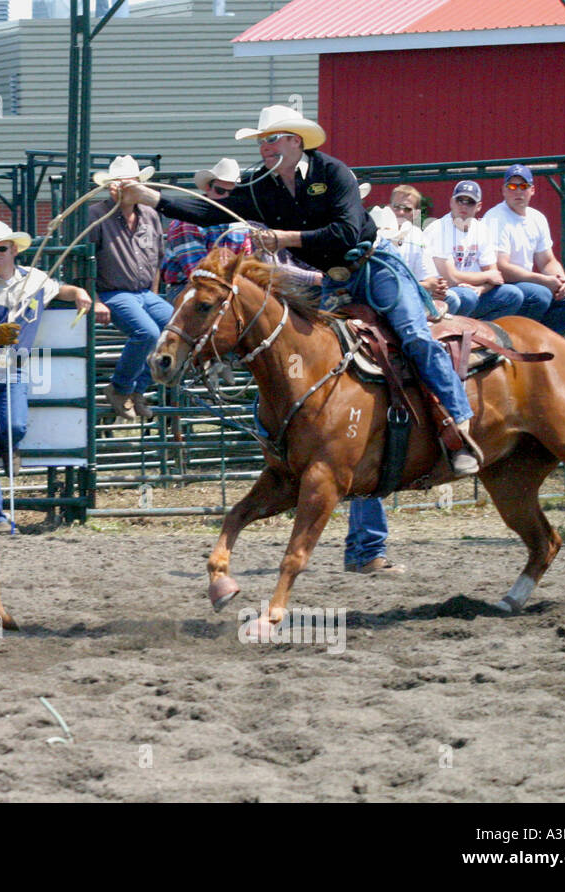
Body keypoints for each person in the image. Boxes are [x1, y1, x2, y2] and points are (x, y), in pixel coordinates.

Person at [120, 104, 484, 572]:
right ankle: (299, 444)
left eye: (272, 139)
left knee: (415, 336)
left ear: (296, 141)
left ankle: (460, 426)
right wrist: (146, 196)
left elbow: (347, 229)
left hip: (373, 267)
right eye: (261, 141)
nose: (264, 147)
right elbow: (210, 211)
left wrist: (283, 238)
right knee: (311, 358)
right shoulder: (261, 183)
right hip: (331, 281)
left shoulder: (334, 174)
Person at [0, 220, 107, 535]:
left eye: (1, 248)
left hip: (14, 368)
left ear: (14, 250)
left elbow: (59, 290)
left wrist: (79, 293)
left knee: (15, 425)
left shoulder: (35, 280)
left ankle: (11, 445)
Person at [89, 155, 174, 422]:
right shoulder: (95, 215)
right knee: (147, 332)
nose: (125, 188)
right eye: (120, 183)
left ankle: (136, 390)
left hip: (144, 292)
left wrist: (154, 293)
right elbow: (82, 264)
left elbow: (157, 258)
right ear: (110, 187)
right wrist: (95, 300)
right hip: (112, 292)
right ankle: (121, 388)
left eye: (130, 183)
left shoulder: (150, 215)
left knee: (173, 329)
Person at [483, 163, 565, 336]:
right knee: (539, 294)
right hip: (498, 286)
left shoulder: (537, 218)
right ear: (503, 191)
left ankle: (546, 340)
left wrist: (560, 278)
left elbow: (547, 260)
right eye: (512, 186)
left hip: (526, 283)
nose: (518, 191)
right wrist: (543, 280)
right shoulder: (495, 218)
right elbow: (501, 268)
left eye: (523, 186)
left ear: (532, 190)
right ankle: (519, 343)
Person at [422, 180, 525, 321]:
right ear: (451, 202)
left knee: (513, 295)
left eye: (470, 202)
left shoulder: (482, 229)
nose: (463, 206)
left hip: (474, 291)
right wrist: (485, 277)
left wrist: (481, 288)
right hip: (442, 295)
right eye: (460, 200)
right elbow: (451, 278)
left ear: (478, 206)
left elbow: (495, 276)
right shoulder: (437, 229)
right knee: (467, 296)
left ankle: (486, 335)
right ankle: (456, 337)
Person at [161, 158, 253, 301]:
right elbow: (197, 272)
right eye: (220, 191)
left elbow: (247, 262)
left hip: (227, 285)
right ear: (208, 188)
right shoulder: (187, 220)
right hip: (186, 287)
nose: (226, 197)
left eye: (232, 193)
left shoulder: (240, 222)